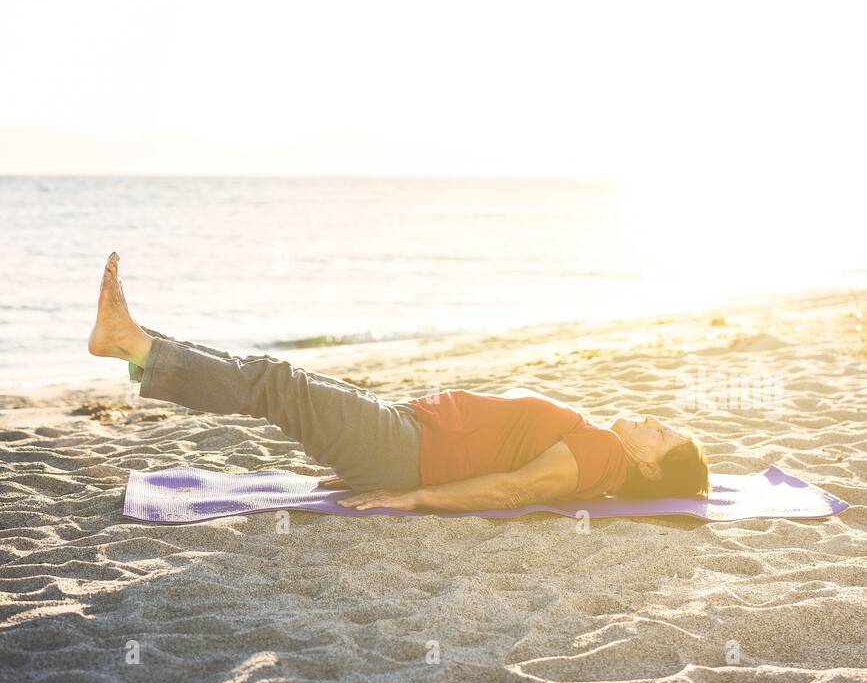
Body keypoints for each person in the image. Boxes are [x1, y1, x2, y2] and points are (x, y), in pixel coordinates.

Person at [89, 253, 709, 513]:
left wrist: (411, 496)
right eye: (662, 422)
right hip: (400, 439)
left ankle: (135, 345)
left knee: (277, 382)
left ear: (649, 469)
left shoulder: (600, 452)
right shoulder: (599, 451)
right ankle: (140, 346)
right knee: (278, 380)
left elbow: (511, 491)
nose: (652, 422)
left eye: (660, 436)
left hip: (403, 451)